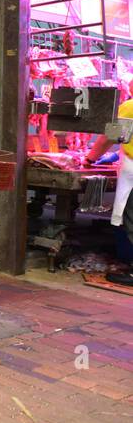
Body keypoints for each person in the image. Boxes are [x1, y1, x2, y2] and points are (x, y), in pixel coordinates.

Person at [83, 80, 133, 277]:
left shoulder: (130, 107)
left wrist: (90, 158)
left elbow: (109, 137)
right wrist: (114, 156)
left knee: (131, 217)